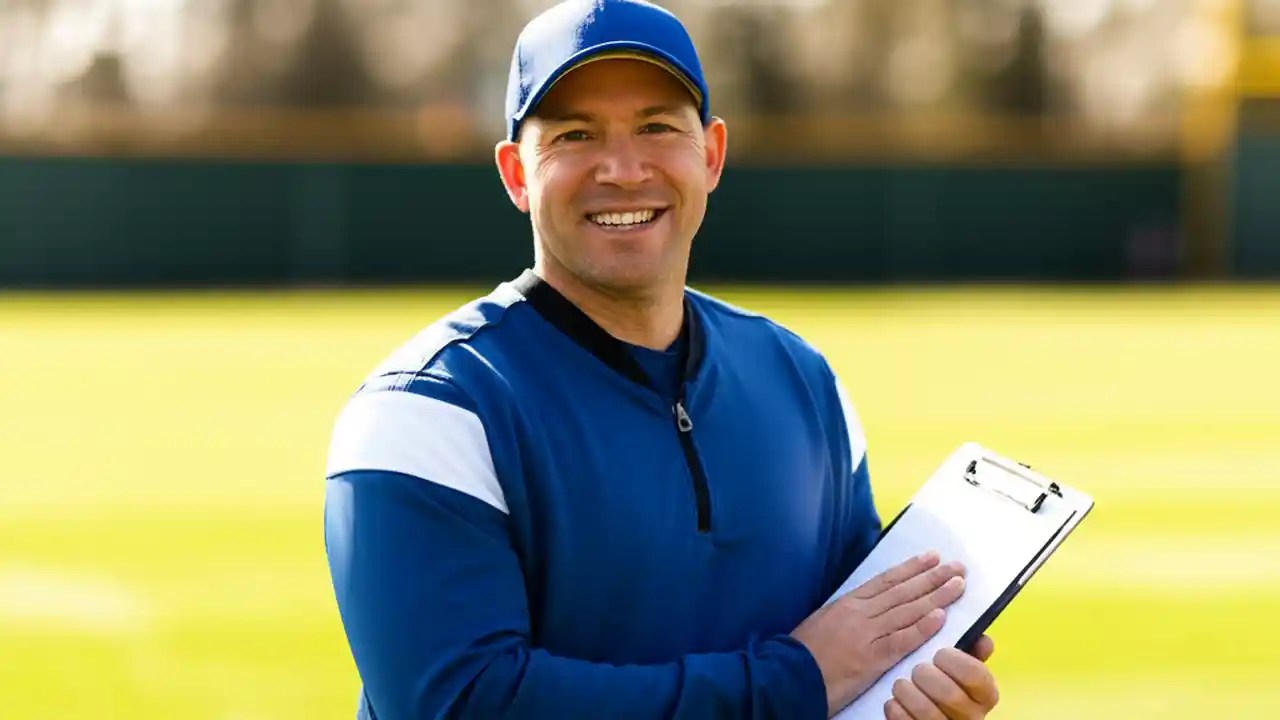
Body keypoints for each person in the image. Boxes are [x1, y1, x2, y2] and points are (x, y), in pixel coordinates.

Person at [322, 1, 1000, 718]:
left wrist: (912, 687)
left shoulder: (805, 381)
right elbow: (461, 703)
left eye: (657, 127)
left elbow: (857, 666)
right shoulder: (425, 408)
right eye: (575, 136)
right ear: (517, 174)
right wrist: (794, 681)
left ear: (709, 155)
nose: (622, 168)